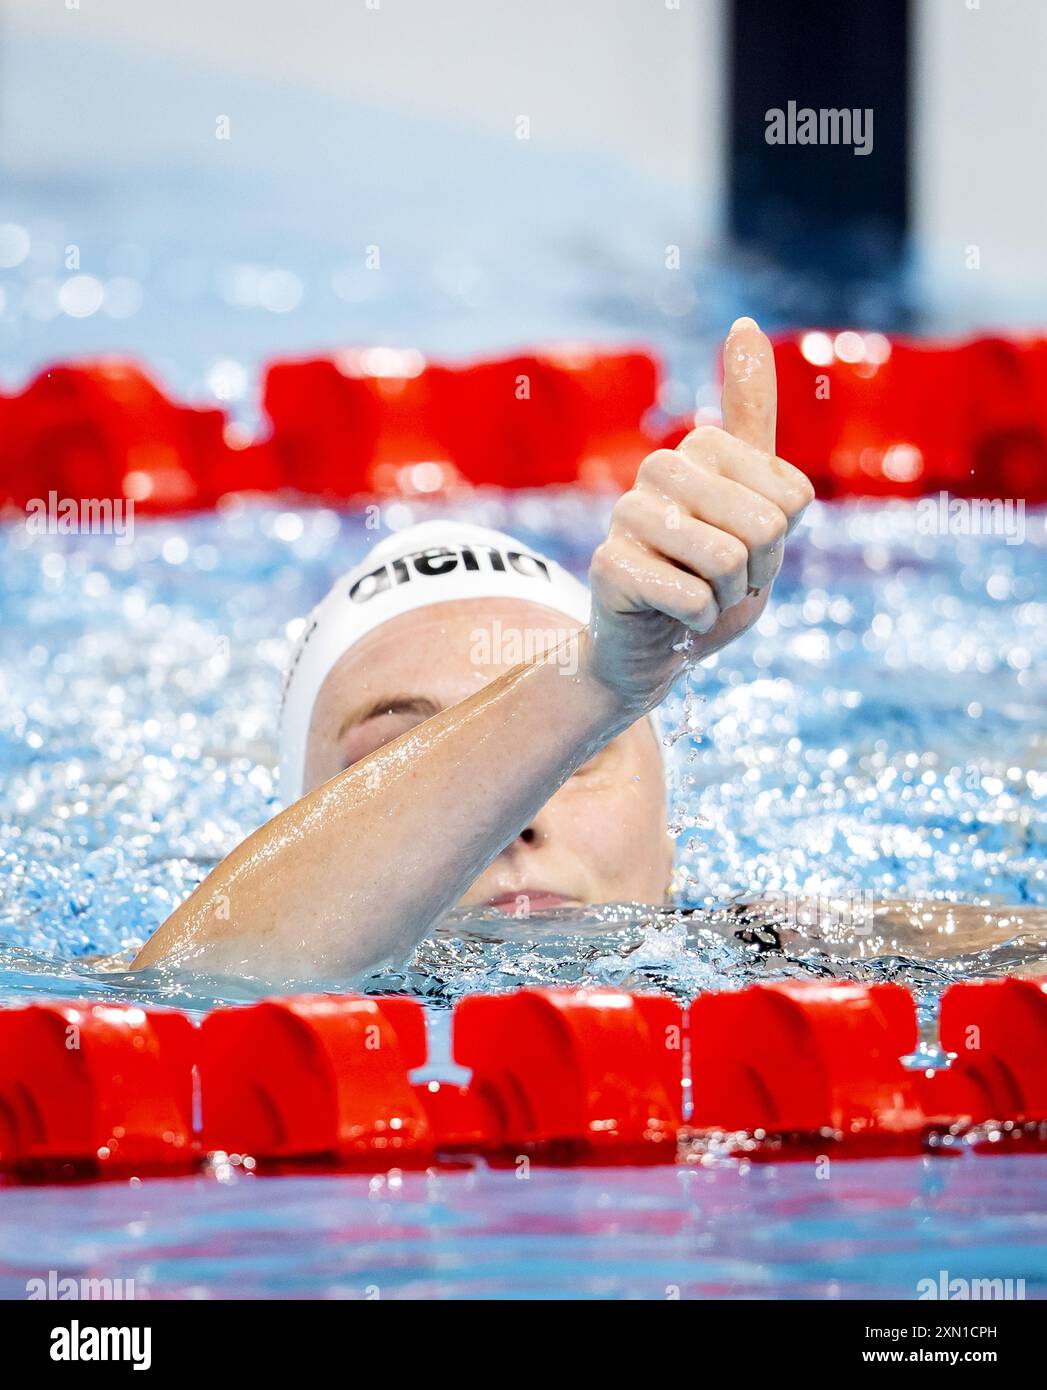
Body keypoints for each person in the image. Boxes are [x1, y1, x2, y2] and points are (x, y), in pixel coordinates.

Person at [132, 319, 1040, 981]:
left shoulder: (791, 955)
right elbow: (202, 984)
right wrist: (596, 682)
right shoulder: (178, 964)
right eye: (403, 755)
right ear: (296, 832)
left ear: (669, 824)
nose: (516, 820)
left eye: (580, 752)